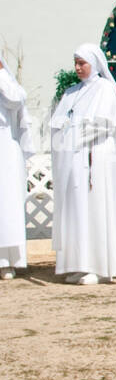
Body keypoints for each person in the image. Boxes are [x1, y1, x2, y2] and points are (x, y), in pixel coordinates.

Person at [50, 43, 116, 285]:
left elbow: (103, 124)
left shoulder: (105, 90)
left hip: (93, 158)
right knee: (75, 213)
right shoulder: (71, 93)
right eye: (75, 63)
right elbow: (57, 123)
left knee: (94, 210)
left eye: (82, 63)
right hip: (72, 161)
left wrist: (73, 136)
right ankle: (77, 263)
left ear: (94, 64)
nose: (77, 67)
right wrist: (64, 136)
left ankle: (96, 267)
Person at [0, 55, 34, 278]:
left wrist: (1, 72)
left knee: (4, 204)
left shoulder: (7, 82)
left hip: (4, 146)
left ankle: (5, 260)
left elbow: (15, 99)